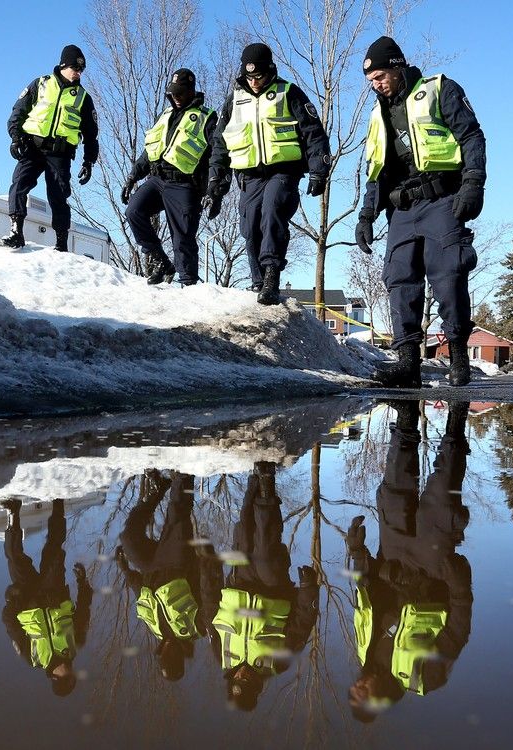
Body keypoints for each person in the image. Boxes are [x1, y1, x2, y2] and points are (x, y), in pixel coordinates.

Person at [354, 36, 487, 387]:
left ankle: (459, 358)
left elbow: (472, 136)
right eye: (371, 81)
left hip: (442, 199)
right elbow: (376, 168)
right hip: (401, 208)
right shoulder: (376, 114)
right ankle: (408, 363)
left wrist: (473, 182)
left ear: (398, 68)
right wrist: (366, 214)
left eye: (380, 76)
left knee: (448, 275)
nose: (376, 85)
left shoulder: (438, 90)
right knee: (399, 280)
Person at [345, 400, 473, 721]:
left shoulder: (362, 651)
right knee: (442, 496)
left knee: (393, 490)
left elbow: (363, 597)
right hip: (431, 573)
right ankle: (457, 413)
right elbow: (456, 635)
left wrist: (357, 552)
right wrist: (459, 589)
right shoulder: (425, 679)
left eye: (352, 692)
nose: (357, 687)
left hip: (392, 556)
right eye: (361, 696)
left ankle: (405, 414)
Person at [204, 43, 331, 305]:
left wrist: (319, 170)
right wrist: (216, 185)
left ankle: (272, 275)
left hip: (283, 171)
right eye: (249, 78)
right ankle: (258, 282)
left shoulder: (289, 93)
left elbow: (314, 133)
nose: (255, 82)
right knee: (250, 225)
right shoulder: (234, 101)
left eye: (259, 77)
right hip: (249, 176)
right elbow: (220, 143)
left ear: (270, 71)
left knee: (272, 211)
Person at [200, 461, 319, 711]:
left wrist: (209, 571)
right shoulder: (277, 663)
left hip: (239, 583)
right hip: (272, 589)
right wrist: (308, 589)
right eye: (247, 681)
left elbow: (210, 610)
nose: (242, 675)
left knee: (244, 533)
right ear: (256, 685)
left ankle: (254, 480)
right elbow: (302, 623)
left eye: (237, 680)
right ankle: (267, 485)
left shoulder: (220, 655)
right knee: (264, 549)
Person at [121, 69, 217, 286]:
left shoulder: (207, 117)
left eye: (180, 92)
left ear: (191, 91)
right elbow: (150, 151)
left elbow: (217, 155)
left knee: (182, 237)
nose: (175, 96)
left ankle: (188, 282)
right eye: (172, 92)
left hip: (184, 184)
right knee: (134, 211)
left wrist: (214, 189)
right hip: (157, 180)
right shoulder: (164, 115)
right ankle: (161, 261)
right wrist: (132, 177)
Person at [0, 44, 99, 253]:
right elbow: (18, 111)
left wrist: (89, 161)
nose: (78, 73)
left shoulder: (83, 97)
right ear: (64, 65)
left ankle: (61, 243)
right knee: (19, 184)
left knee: (58, 196)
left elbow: (91, 133)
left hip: (60, 153)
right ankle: (16, 232)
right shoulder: (41, 84)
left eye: (81, 70)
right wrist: (16, 138)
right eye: (75, 68)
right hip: (32, 147)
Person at [116, 470, 209, 681]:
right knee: (176, 516)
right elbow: (210, 596)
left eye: (164, 658)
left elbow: (142, 595)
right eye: (171, 658)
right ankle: (183, 476)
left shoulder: (156, 631)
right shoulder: (196, 629)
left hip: (150, 569)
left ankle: (159, 489)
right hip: (178, 566)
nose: (166, 653)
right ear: (180, 657)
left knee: (128, 537)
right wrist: (205, 565)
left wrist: (126, 570)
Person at [0, 497, 92, 697]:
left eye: (70, 678)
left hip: (26, 597)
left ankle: (13, 512)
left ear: (58, 678)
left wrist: (12, 602)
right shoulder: (76, 644)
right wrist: (83, 583)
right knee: (54, 550)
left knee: (15, 557)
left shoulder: (33, 658)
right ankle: (58, 503)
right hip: (53, 592)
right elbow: (84, 610)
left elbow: (9, 623)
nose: (73, 673)